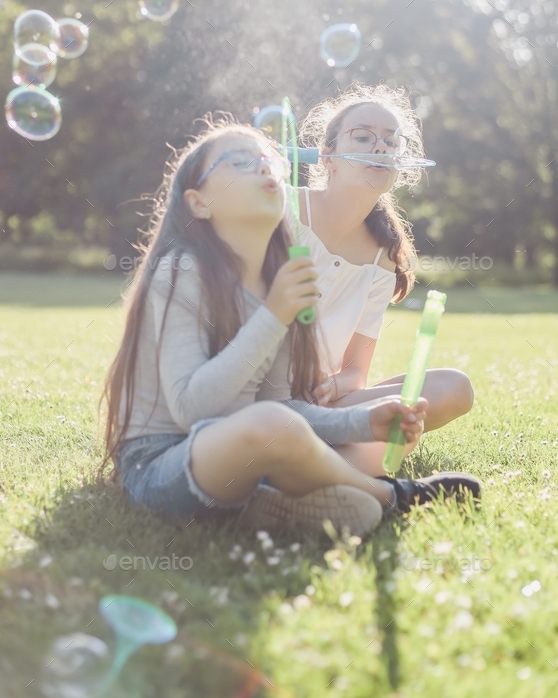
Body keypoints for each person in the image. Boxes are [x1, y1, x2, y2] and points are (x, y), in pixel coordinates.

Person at [99, 115, 481, 537]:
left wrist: (365, 422)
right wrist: (274, 315)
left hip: (245, 452)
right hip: (162, 462)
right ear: (198, 203)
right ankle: (393, 496)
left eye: (266, 159)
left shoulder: (278, 278)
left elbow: (284, 408)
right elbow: (195, 411)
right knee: (268, 426)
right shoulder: (183, 271)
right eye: (239, 163)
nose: (264, 167)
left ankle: (265, 503)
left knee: (279, 424)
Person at [284, 82, 475, 477]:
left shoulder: (383, 258)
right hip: (255, 392)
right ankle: (337, 467)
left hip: (319, 403)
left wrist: (331, 389)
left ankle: (321, 449)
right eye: (363, 137)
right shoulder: (284, 209)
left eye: (391, 141)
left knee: (455, 388)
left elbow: (355, 373)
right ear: (328, 157)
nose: (380, 147)